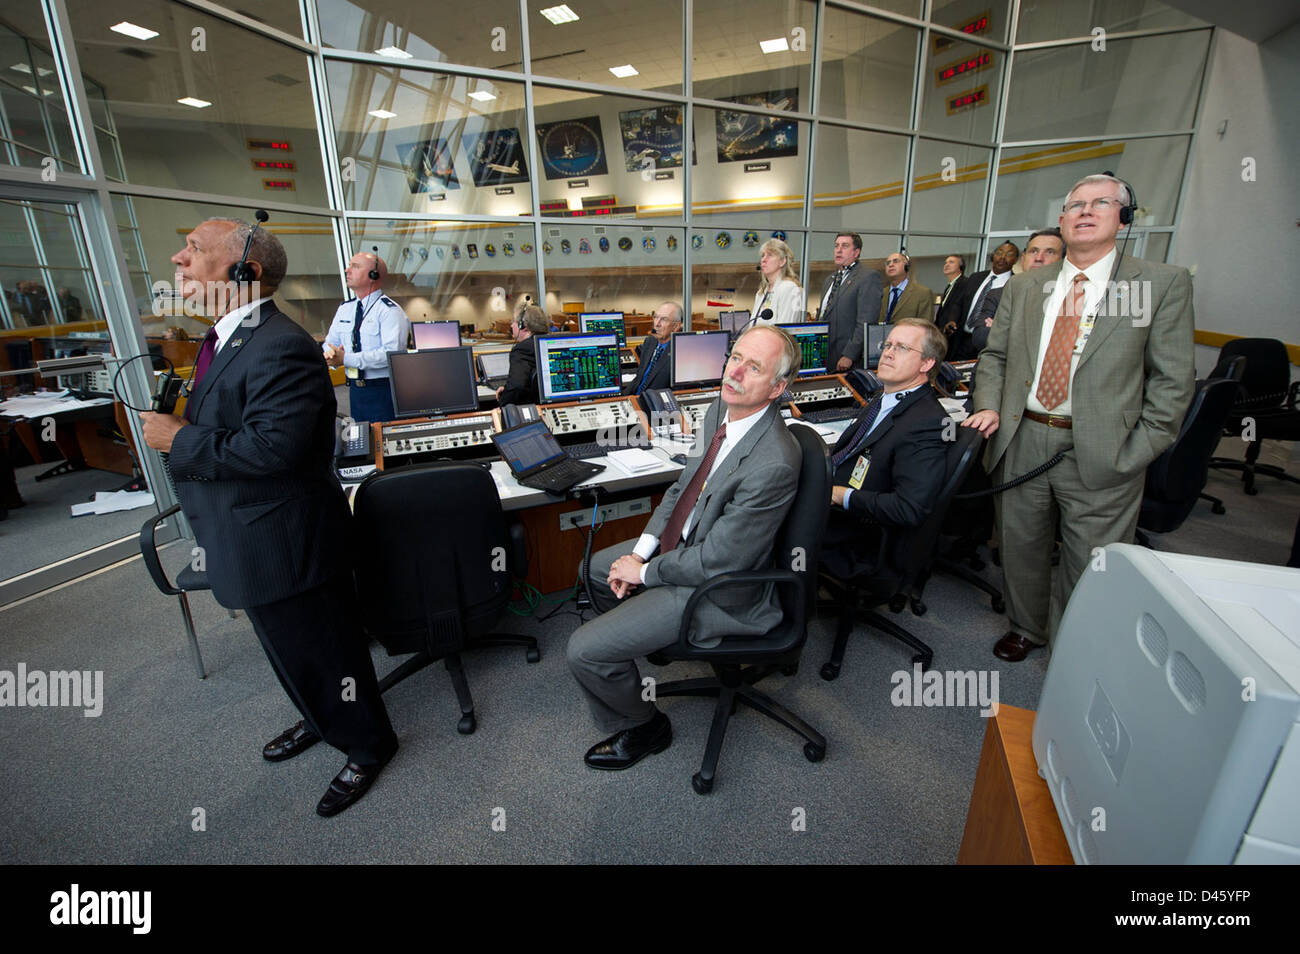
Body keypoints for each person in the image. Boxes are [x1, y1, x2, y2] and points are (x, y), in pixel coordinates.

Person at [138, 218, 398, 817]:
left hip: (285, 538)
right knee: (290, 650)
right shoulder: (225, 339)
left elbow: (273, 450)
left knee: (325, 651)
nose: (178, 259)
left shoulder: (281, 345)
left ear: (244, 271)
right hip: (243, 533)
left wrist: (178, 439)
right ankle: (320, 716)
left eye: (195, 249)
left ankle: (367, 745)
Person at [963, 174, 1195, 661]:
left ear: (1123, 218)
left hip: (1106, 448)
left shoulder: (1159, 284)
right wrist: (988, 404)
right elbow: (995, 357)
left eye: (1101, 203)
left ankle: (1074, 642)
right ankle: (1026, 627)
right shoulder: (1027, 286)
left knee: (1092, 559)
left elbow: (1172, 381)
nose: (1085, 212)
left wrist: (1137, 450)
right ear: (1062, 219)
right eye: (1075, 205)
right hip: (1022, 438)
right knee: (1021, 545)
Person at [566, 325, 803, 770]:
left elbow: (719, 561)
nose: (735, 373)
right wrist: (641, 552)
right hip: (687, 548)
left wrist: (644, 573)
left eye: (754, 367)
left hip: (720, 587)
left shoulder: (774, 461)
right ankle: (639, 647)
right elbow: (682, 489)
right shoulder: (720, 409)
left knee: (584, 650)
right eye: (736, 358)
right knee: (594, 569)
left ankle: (645, 726)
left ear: (777, 388)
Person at [821, 319, 950, 579]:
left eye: (902, 348)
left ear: (926, 363)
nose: (888, 353)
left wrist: (841, 495)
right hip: (831, 497)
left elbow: (908, 508)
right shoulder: (884, 400)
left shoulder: (927, 423)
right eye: (888, 345)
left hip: (855, 530)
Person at [322, 251, 409, 424]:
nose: (347, 270)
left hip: (383, 391)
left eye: (355, 266)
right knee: (361, 440)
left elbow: (390, 355)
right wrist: (331, 355)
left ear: (373, 275)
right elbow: (329, 343)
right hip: (355, 391)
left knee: (383, 440)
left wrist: (346, 359)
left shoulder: (390, 311)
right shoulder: (345, 309)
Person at [817, 232, 882, 372]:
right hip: (824, 355)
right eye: (836, 246)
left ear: (856, 252)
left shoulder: (868, 277)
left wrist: (849, 355)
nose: (839, 250)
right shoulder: (830, 279)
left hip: (847, 359)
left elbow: (866, 321)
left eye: (845, 246)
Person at [947, 241, 1019, 360]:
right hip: (962, 340)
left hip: (989, 344)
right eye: (999, 253)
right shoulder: (975, 277)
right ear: (993, 256)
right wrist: (952, 319)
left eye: (1009, 254)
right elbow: (959, 303)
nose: (1002, 257)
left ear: (1016, 260)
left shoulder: (1015, 284)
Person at [624, 301, 683, 396]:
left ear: (676, 326)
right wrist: (621, 397)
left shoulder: (680, 354)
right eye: (656, 317)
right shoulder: (650, 342)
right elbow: (639, 379)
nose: (657, 324)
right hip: (634, 397)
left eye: (664, 319)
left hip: (653, 401)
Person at [497, 303, 549, 406]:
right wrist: (507, 388)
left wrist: (503, 398)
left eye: (514, 321)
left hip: (532, 407)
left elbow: (517, 387)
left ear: (523, 326)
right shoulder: (549, 343)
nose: (511, 325)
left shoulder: (522, 349)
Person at [752, 238, 805, 325]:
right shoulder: (761, 292)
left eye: (770, 255)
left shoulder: (790, 289)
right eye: (763, 255)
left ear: (782, 261)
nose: (763, 260)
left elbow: (785, 328)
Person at [879, 252, 935, 323]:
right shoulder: (880, 293)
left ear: (906, 266)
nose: (890, 265)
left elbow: (926, 325)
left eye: (896, 261)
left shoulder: (923, 293)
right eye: (888, 263)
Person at [935, 254, 968, 332]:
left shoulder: (965, 284)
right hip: (943, 331)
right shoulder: (949, 286)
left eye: (951, 262)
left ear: (961, 267)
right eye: (946, 263)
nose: (946, 265)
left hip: (955, 332)